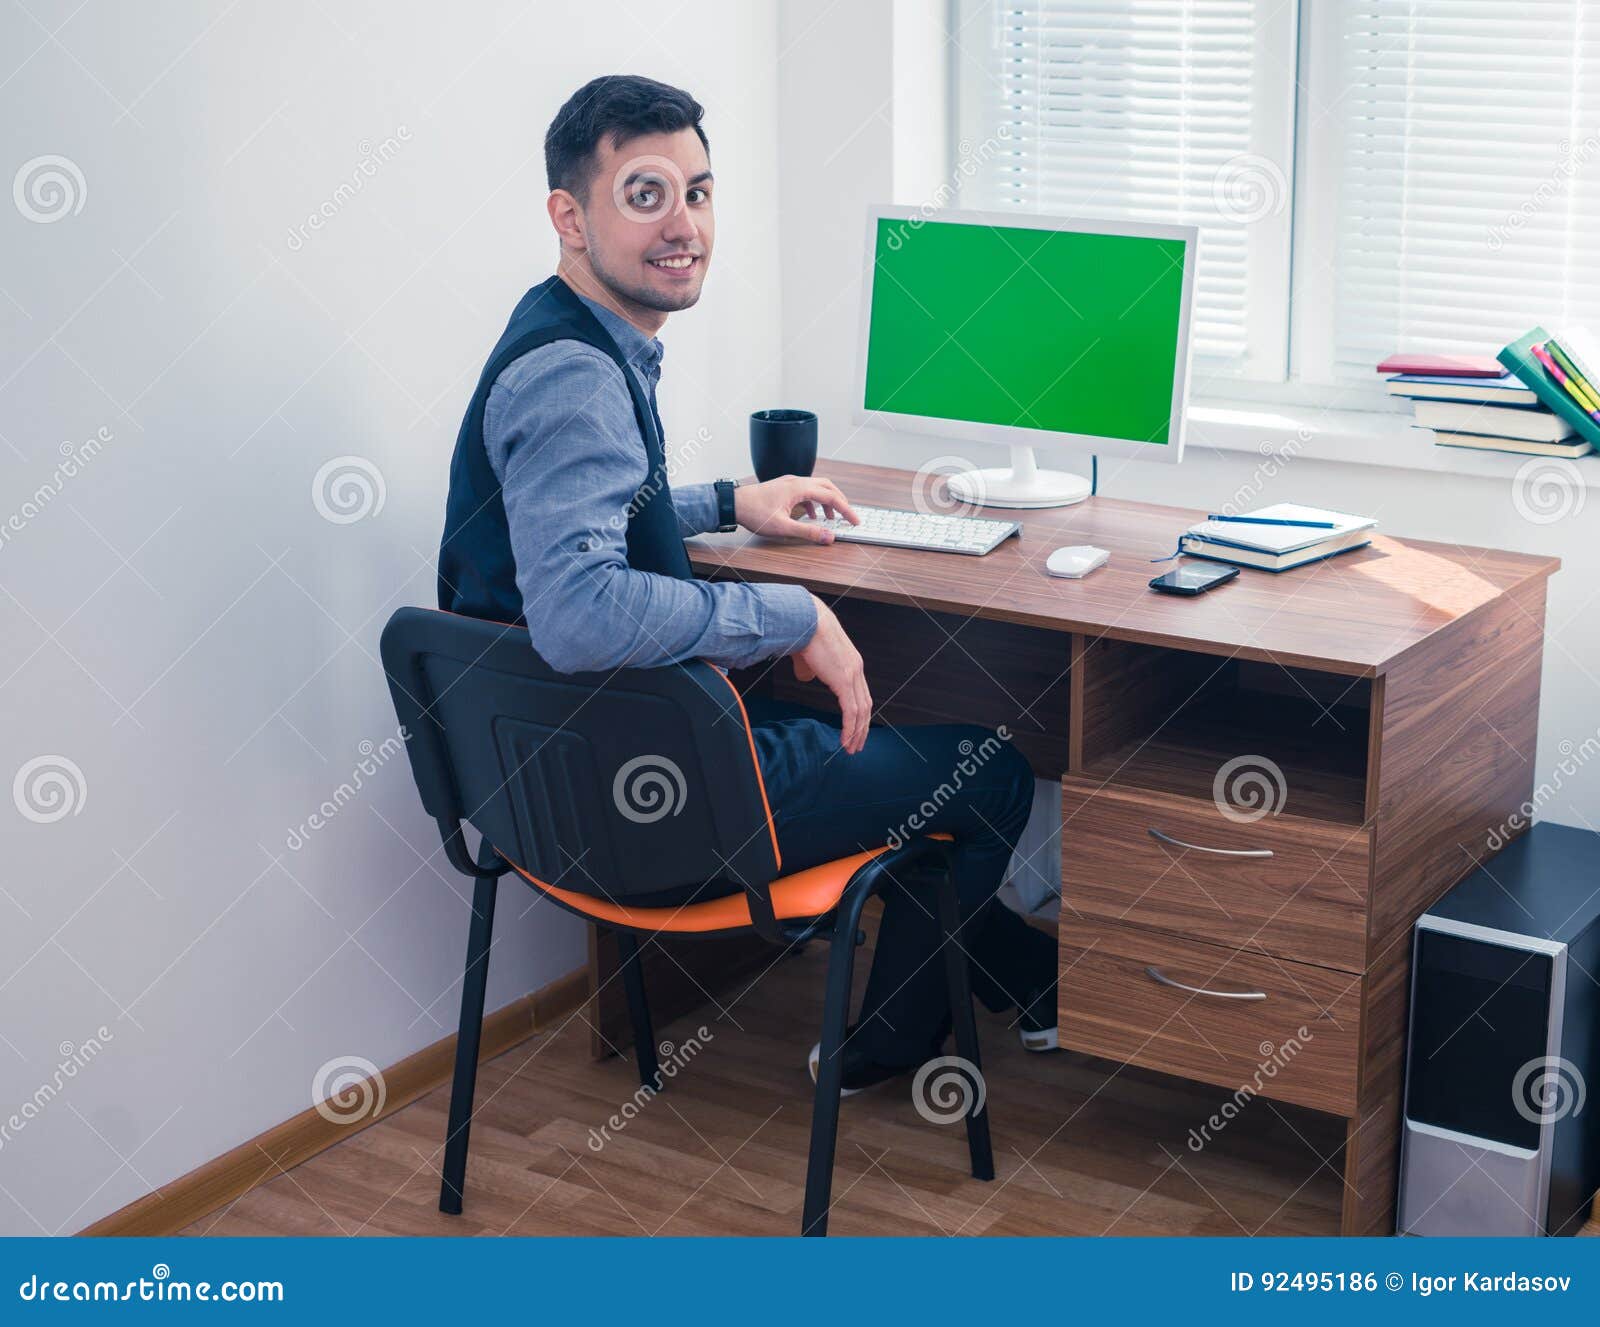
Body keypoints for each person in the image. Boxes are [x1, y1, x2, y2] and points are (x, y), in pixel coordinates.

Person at [438, 73, 1057, 1093]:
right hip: (651, 811)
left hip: (551, 801)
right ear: (569, 215)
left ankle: (1024, 974)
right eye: (645, 195)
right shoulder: (578, 377)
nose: (684, 224)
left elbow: (569, 520)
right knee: (986, 767)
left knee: (882, 750)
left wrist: (729, 502)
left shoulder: (557, 333)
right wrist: (792, 609)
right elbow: (581, 612)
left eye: (700, 191)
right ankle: (892, 1041)